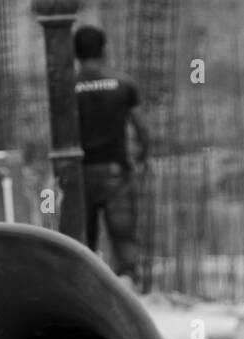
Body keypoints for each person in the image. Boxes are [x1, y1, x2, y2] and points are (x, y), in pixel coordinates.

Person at [73, 24, 152, 291]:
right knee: (124, 242)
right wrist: (142, 158)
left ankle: (87, 297)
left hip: (80, 175)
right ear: (103, 50)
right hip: (116, 173)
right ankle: (129, 296)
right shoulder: (123, 85)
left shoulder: (68, 89)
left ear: (75, 53)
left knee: (82, 246)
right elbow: (142, 130)